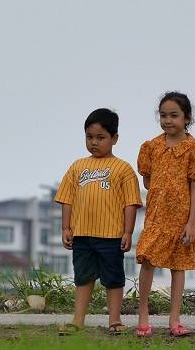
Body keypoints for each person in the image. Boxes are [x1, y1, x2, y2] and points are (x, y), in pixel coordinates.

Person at [53, 108, 143, 335]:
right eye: (89, 137)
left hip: (111, 235)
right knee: (83, 277)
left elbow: (130, 203)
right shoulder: (77, 167)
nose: (94, 142)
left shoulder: (123, 169)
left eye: (100, 138)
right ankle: (78, 320)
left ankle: (114, 320)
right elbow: (67, 199)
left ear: (114, 138)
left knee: (113, 278)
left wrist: (128, 232)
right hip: (82, 234)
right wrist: (65, 227)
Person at [134, 91, 195, 338]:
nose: (168, 121)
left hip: (184, 218)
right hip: (157, 216)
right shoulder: (151, 147)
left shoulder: (194, 149)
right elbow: (146, 179)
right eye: (163, 115)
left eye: (174, 116)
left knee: (179, 266)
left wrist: (191, 223)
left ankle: (174, 320)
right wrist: (162, 189)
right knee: (147, 260)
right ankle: (143, 315)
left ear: (186, 118)